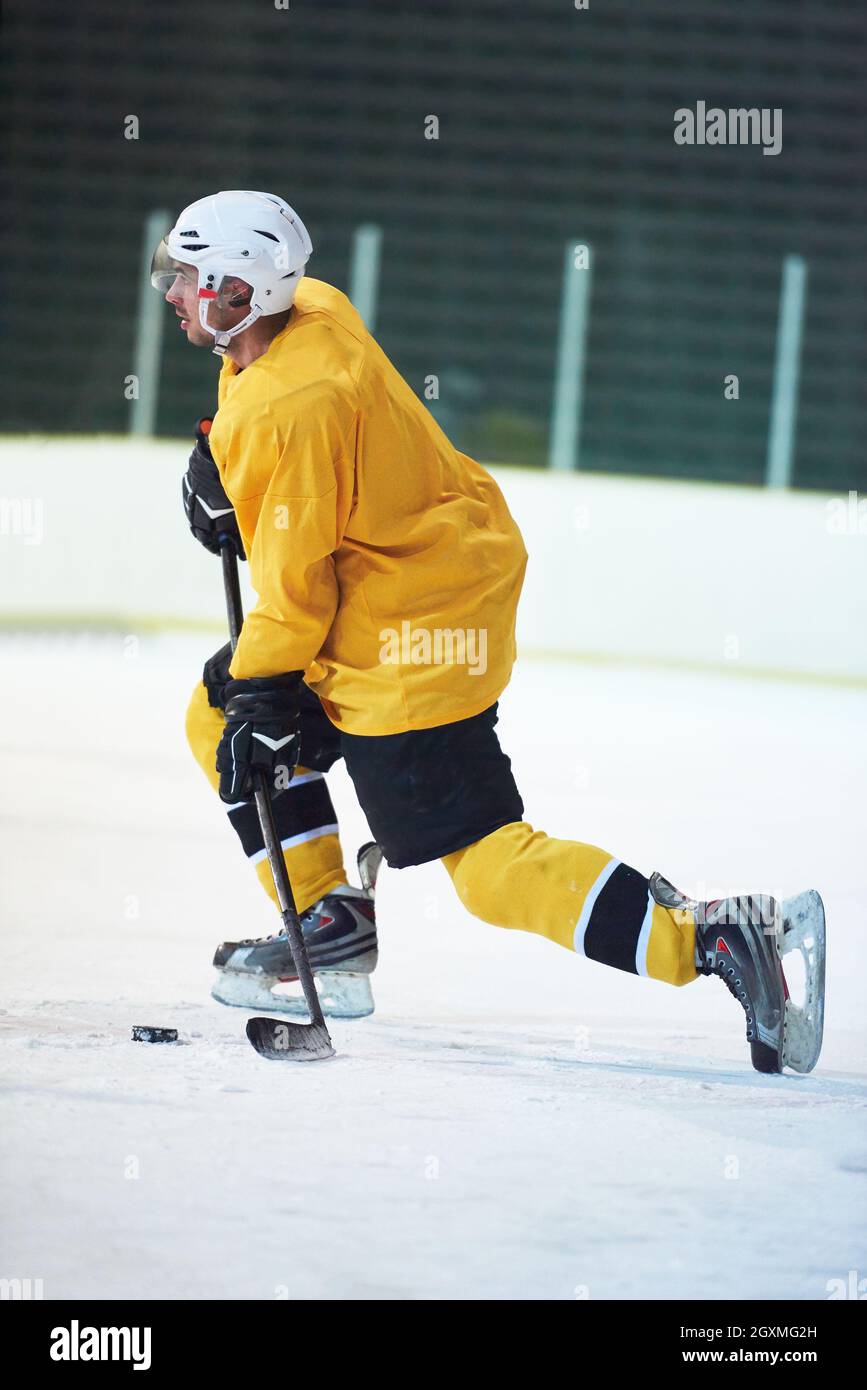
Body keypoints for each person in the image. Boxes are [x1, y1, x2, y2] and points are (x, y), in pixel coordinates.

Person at [151, 189, 824, 1073]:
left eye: (189, 274)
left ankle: (715, 939)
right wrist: (226, 468)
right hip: (429, 584)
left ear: (240, 292)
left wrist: (269, 693)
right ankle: (331, 926)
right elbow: (293, 461)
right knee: (216, 710)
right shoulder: (312, 308)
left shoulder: (291, 406)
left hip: (405, 638)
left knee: (482, 860)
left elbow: (292, 587)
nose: (170, 289)